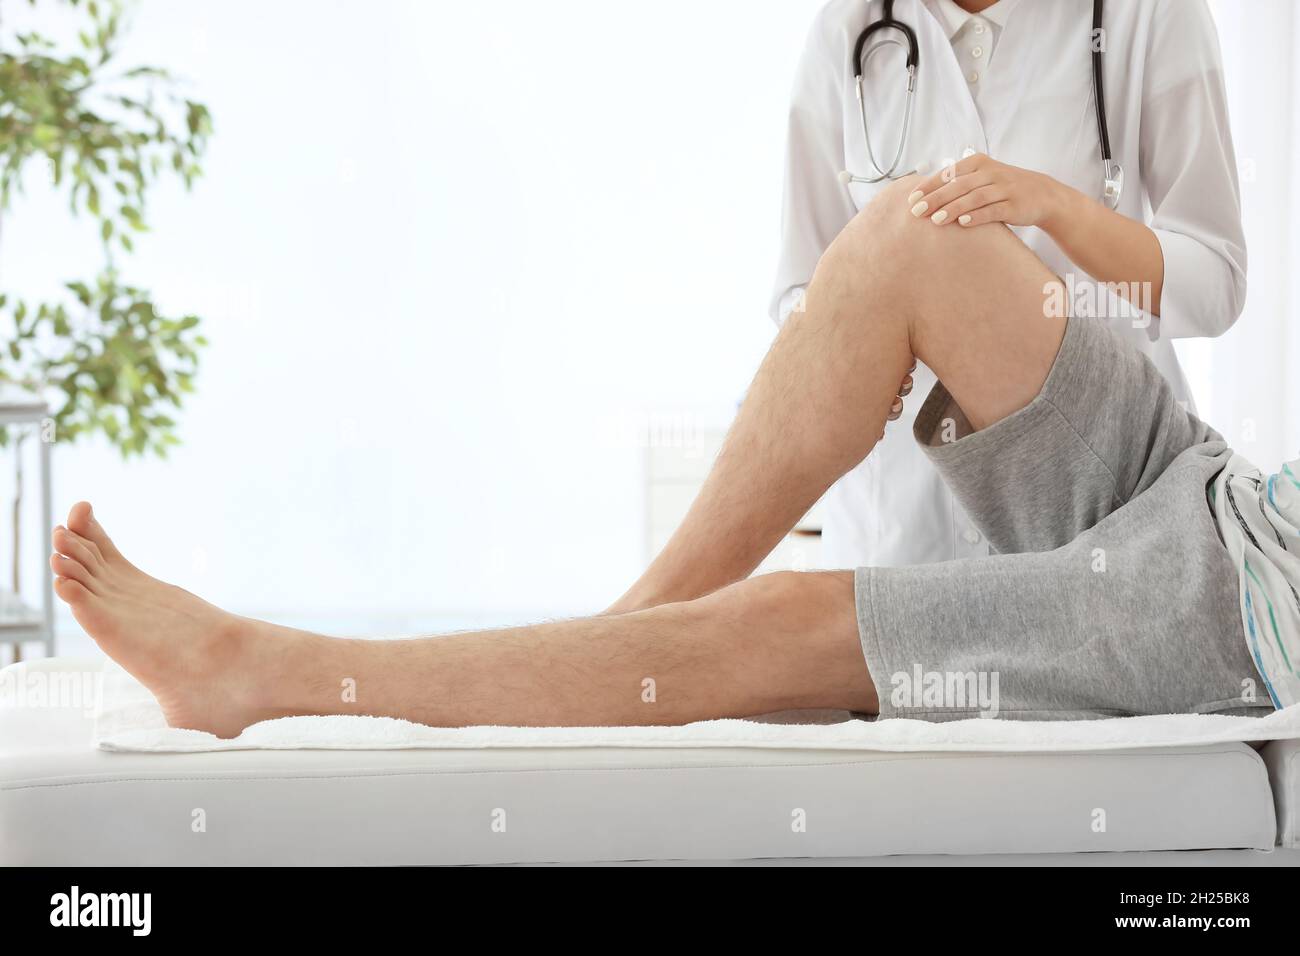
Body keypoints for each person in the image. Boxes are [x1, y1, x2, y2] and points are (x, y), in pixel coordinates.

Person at [49, 176, 1296, 739]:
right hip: (1226, 493)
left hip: (1242, 607)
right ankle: (621, 636)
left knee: (779, 622)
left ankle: (257, 669)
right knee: (909, 234)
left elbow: (1212, 277)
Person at [766, 0, 1246, 572]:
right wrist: (873, 345)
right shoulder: (846, 31)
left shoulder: (1153, 14)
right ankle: (641, 620)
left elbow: (1214, 282)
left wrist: (1057, 206)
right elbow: (800, 297)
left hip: (1101, 518)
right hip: (898, 533)